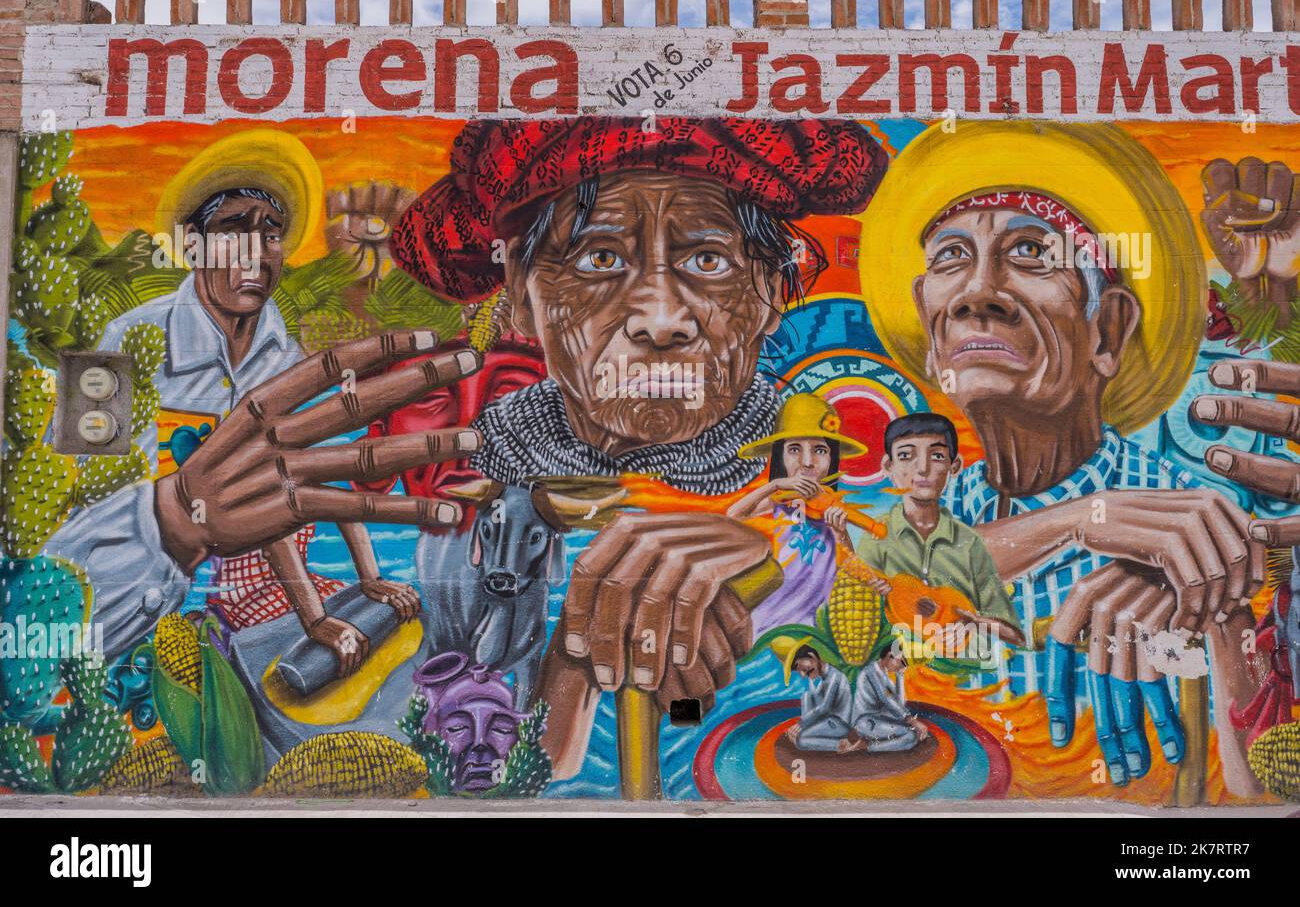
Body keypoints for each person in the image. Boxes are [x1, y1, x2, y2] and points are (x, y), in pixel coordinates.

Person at [389, 116, 890, 777]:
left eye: (708, 261)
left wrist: (766, 562)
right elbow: (499, 772)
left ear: (770, 292)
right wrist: (579, 660)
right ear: (522, 295)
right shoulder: (474, 497)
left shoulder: (807, 460)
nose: (661, 319)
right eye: (600, 259)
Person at [858, 121, 1262, 790]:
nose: (975, 293)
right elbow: (866, 592)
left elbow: (1263, 790)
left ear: (1108, 331)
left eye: (1031, 252)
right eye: (951, 258)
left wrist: (1207, 606)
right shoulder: (928, 506)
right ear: (934, 341)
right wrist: (1076, 522)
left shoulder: (1185, 515)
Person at [45, 129, 420, 673]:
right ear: (192, 245)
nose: (254, 251)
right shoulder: (114, 347)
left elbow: (307, 487)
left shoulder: (288, 364)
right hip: (117, 616)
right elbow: (66, 502)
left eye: (270, 233)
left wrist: (368, 580)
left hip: (244, 610)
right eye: (231, 229)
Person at [854, 412, 1025, 654]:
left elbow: (1014, 634)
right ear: (888, 466)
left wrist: (973, 622)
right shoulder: (876, 537)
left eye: (936, 456)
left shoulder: (968, 542)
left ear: (954, 466)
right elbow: (855, 624)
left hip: (966, 677)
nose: (922, 468)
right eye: (905, 455)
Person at [728, 393, 865, 635]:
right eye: (794, 449)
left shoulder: (835, 506)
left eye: (819, 450)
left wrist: (840, 532)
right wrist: (775, 485)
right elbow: (734, 516)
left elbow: (851, 569)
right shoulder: (782, 499)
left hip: (822, 612)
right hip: (778, 606)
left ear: (833, 458)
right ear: (780, 456)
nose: (807, 462)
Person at [839, 648, 929, 754]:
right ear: (889, 656)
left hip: (880, 720)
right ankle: (867, 746)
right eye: (900, 661)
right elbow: (887, 699)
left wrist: (900, 676)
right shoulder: (871, 671)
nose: (901, 665)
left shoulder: (884, 676)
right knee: (910, 736)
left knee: (912, 735)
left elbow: (899, 704)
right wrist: (913, 721)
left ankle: (868, 744)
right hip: (866, 722)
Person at [775, 640, 853, 752]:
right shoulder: (823, 678)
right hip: (827, 720)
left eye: (800, 667)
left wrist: (802, 724)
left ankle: (839, 745)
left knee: (801, 740)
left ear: (812, 656)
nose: (802, 674)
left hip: (838, 723)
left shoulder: (835, 676)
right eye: (799, 672)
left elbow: (825, 706)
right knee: (806, 696)